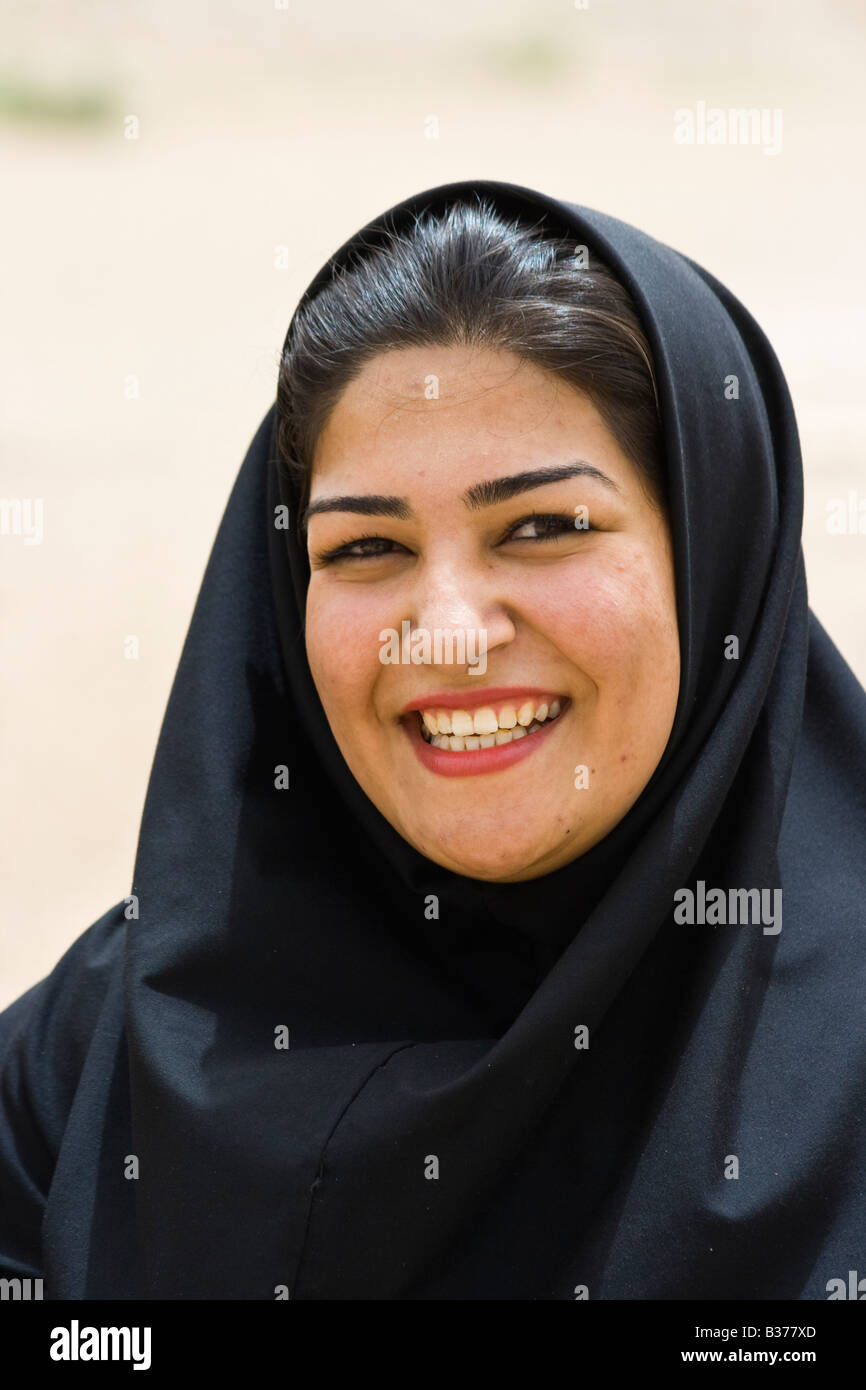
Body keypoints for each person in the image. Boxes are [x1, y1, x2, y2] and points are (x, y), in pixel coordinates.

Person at [1, 178, 865, 1300]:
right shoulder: (115, 1050)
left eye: (545, 527)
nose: (448, 637)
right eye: (364, 549)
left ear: (715, 561)